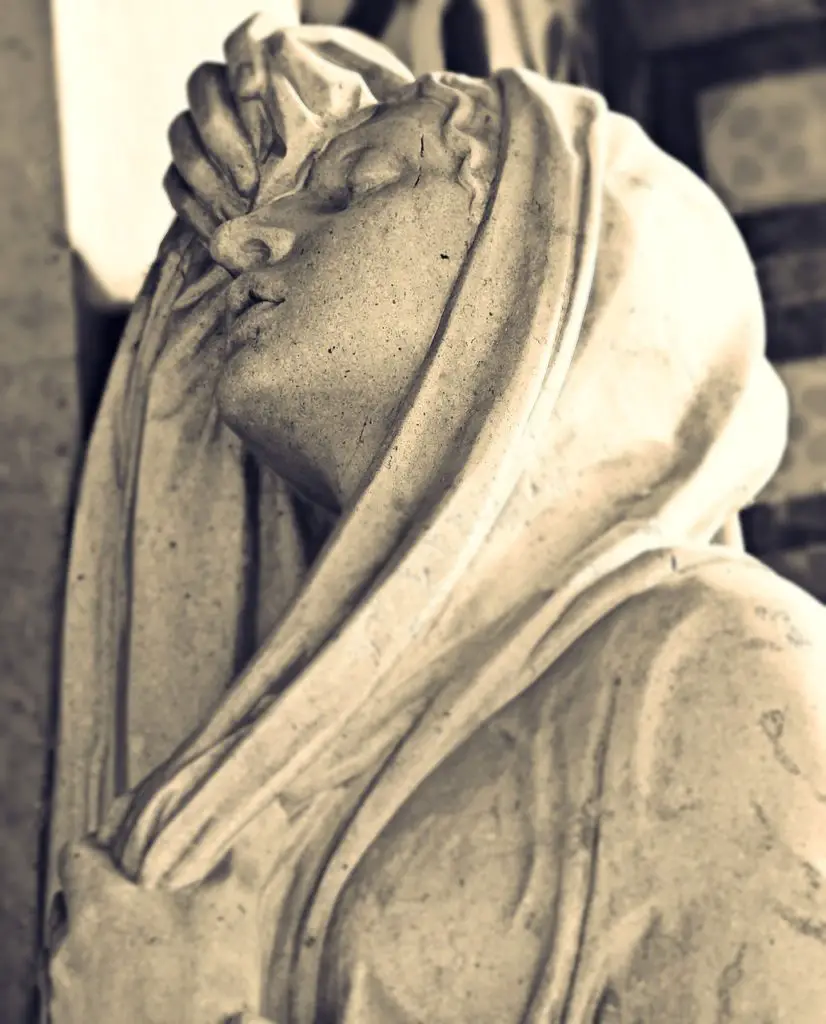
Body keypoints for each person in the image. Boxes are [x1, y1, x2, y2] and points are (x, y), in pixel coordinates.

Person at [43, 16, 826, 1024]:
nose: (248, 240)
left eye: (355, 188)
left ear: (537, 280)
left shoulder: (713, 657)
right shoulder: (332, 697)